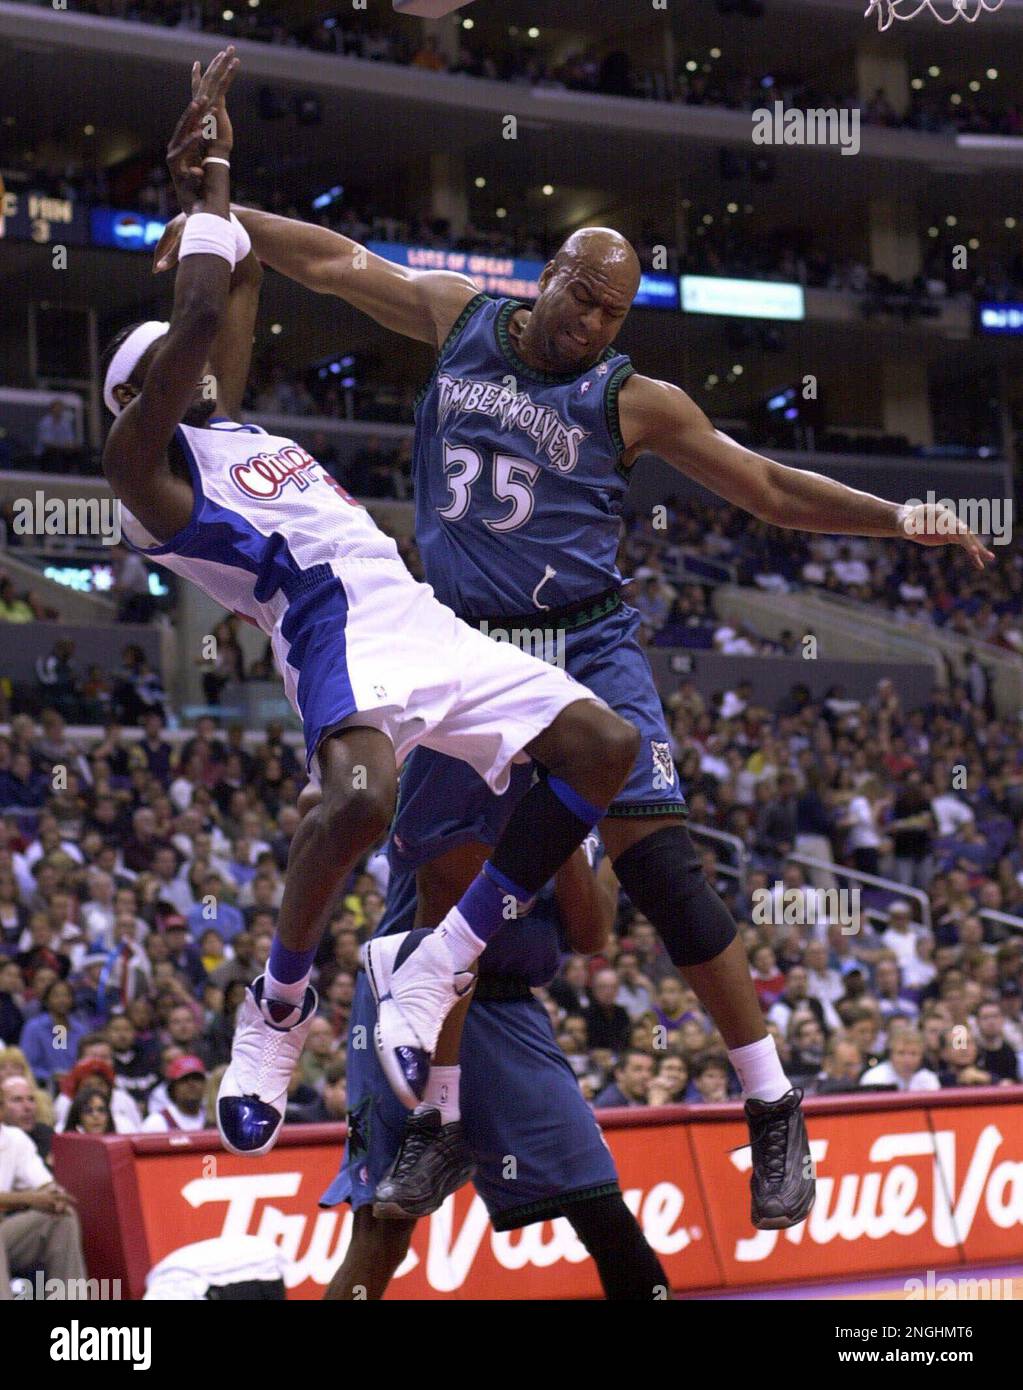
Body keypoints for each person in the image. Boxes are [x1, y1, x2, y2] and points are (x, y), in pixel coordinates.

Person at [157, 166, 995, 1233]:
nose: (597, 324)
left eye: (616, 313)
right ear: (547, 278)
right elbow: (331, 262)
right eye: (584, 299)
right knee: (445, 877)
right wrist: (220, 219)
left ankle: (773, 1101)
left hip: (584, 640)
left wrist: (901, 517)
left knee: (664, 867)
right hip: (457, 640)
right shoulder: (460, 315)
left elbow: (772, 490)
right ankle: (442, 1118)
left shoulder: (637, 399)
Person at [108, 53, 639, 1161]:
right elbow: (202, 305)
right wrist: (195, 241)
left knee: (605, 746)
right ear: (140, 396)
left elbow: (237, 277)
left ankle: (440, 959)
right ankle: (278, 1004)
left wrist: (212, 170)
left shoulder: (232, 426)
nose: (195, 366)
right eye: (170, 367)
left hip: (423, 617)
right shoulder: (144, 474)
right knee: (359, 804)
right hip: (332, 631)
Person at [324, 833, 668, 1301]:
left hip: (510, 1007)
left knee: (599, 1203)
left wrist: (569, 822)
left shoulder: (599, 801)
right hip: (415, 996)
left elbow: (590, 937)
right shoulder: (456, 767)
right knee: (383, 1231)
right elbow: (451, 916)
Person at [0, 1119, 86, 1301]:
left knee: (61, 1218)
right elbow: (31, 1197)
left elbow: (43, 1182)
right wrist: (28, 1199)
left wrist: (55, 1195)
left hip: (5, 1233)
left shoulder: (14, 1138)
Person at [141, 1055, 209, 1133]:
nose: (192, 1084)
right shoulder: (156, 1123)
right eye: (184, 1079)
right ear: (172, 1088)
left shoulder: (215, 1118)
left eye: (197, 1078)